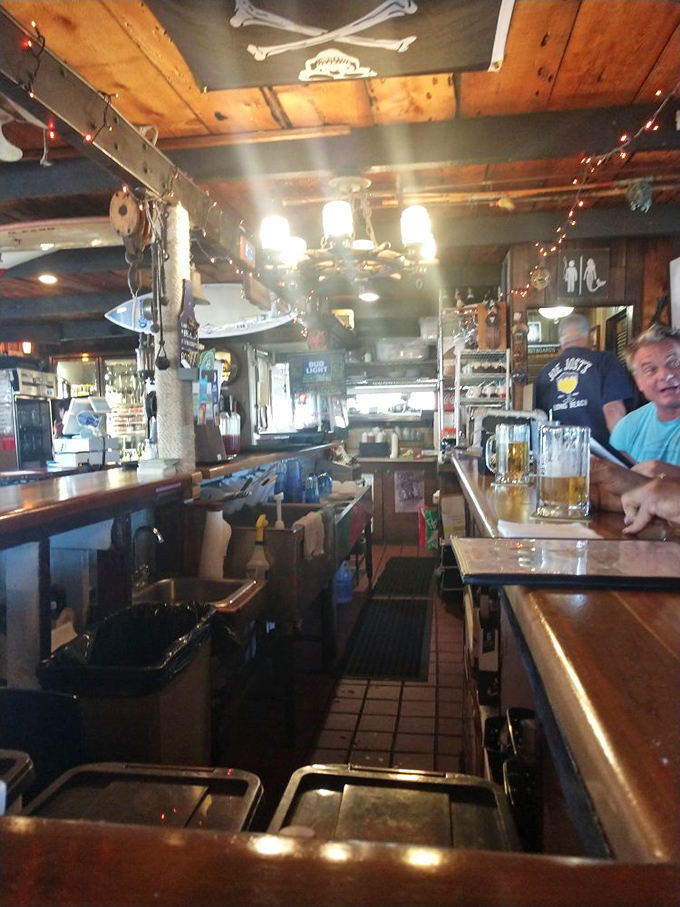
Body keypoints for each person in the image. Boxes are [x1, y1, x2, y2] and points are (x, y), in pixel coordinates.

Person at [534, 313, 635, 446]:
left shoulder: (544, 373)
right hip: (600, 455)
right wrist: (625, 452)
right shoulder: (605, 362)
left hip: (558, 454)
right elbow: (613, 410)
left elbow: (539, 421)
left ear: (561, 341)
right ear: (589, 335)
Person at [609, 324, 680, 466]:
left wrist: (667, 475)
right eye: (650, 369)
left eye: (674, 362)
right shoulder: (626, 428)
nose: (665, 375)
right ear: (638, 382)